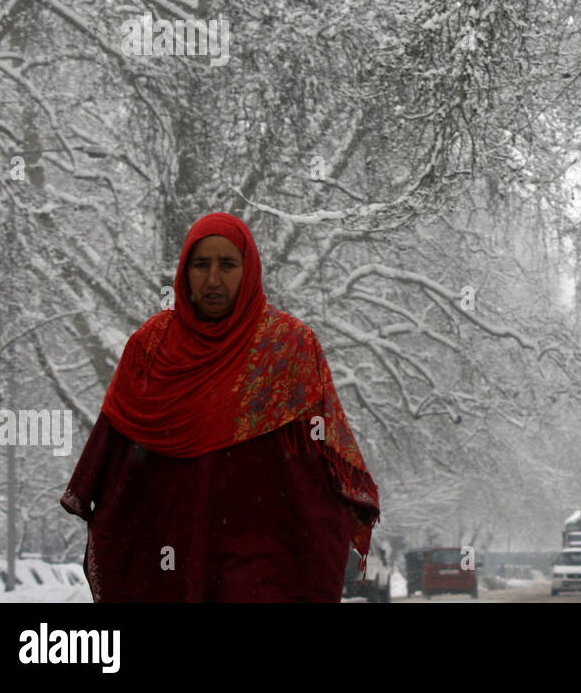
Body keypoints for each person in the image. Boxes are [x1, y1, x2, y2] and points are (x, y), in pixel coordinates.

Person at [60, 212, 380, 601]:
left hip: (262, 562)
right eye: (200, 265)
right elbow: (111, 459)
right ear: (184, 271)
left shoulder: (286, 347)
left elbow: (320, 465)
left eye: (227, 265)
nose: (213, 280)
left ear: (249, 271)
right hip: (166, 559)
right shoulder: (151, 347)